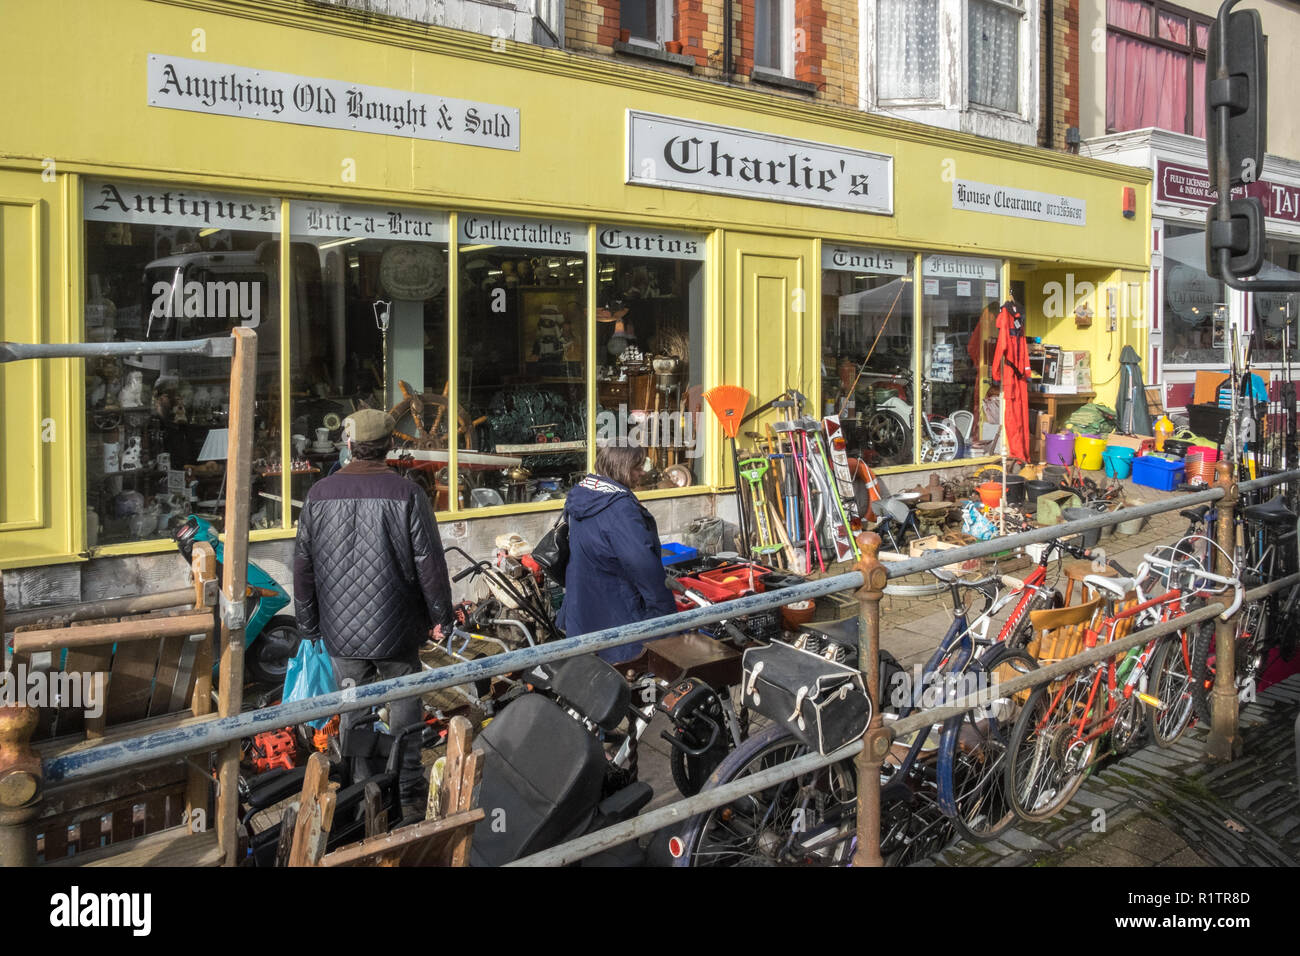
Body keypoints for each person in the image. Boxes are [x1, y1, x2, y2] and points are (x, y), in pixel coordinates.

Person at [293, 408, 454, 824]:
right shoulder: (407, 494)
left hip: (341, 630)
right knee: (404, 709)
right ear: (389, 447)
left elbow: (303, 565)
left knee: (354, 711)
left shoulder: (319, 494)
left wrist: (309, 624)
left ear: (348, 445)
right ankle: (406, 789)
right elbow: (429, 565)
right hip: (397, 627)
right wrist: (442, 616)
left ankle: (360, 794)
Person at [557, 441, 676, 665]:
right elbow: (642, 565)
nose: (642, 472)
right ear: (620, 467)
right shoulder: (619, 507)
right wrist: (668, 615)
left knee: (592, 675)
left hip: (582, 605)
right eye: (637, 467)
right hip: (616, 612)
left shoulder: (584, 492)